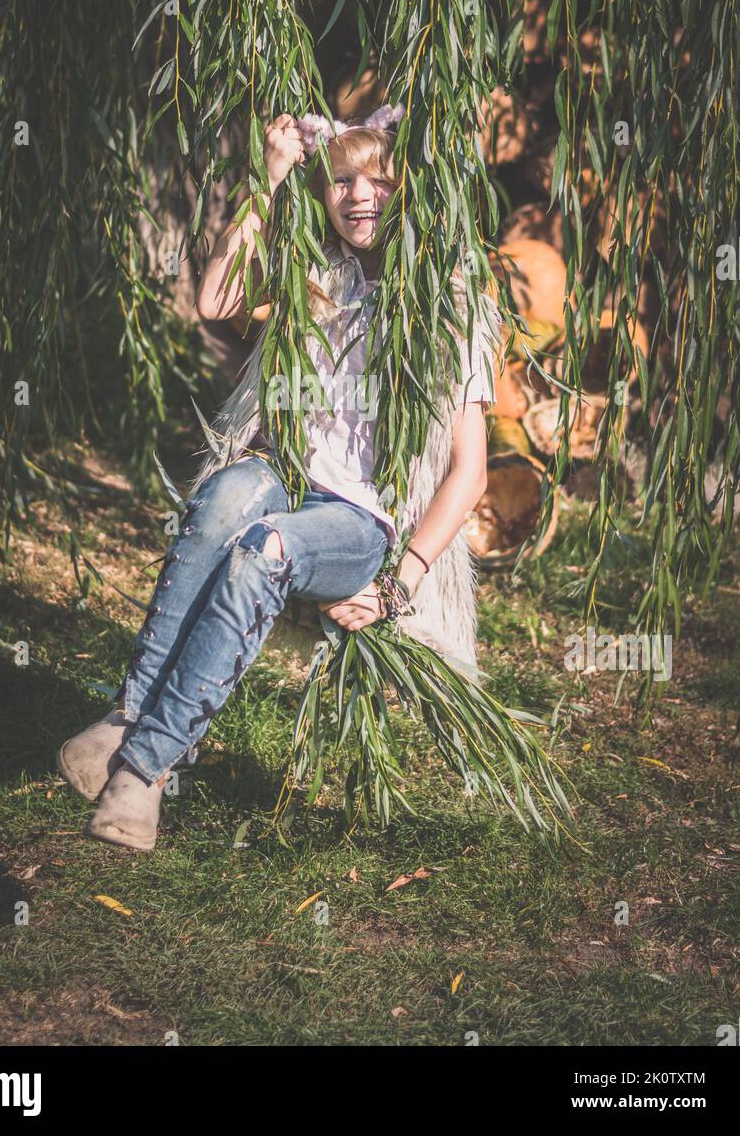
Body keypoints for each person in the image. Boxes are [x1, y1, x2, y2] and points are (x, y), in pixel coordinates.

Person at [58, 108, 499, 850]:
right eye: (342, 180)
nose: (360, 195)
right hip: (283, 475)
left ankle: (144, 770)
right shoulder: (312, 270)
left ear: (411, 190)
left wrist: (401, 583)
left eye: (381, 180)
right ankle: (132, 717)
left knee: (265, 548)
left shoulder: (449, 302)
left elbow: (471, 472)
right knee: (222, 497)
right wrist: (266, 183)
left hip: (358, 522)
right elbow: (215, 301)